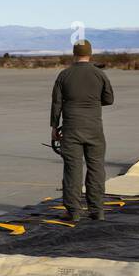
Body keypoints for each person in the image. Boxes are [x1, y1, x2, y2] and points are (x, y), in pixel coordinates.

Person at [50, 39, 114, 221]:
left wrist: (54, 127)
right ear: (90, 53)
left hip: (71, 129)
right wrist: (92, 101)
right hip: (94, 128)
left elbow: (56, 104)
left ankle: (74, 212)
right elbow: (109, 99)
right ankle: (97, 210)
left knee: (72, 170)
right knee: (96, 169)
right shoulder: (99, 74)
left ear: (74, 53)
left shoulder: (64, 75)